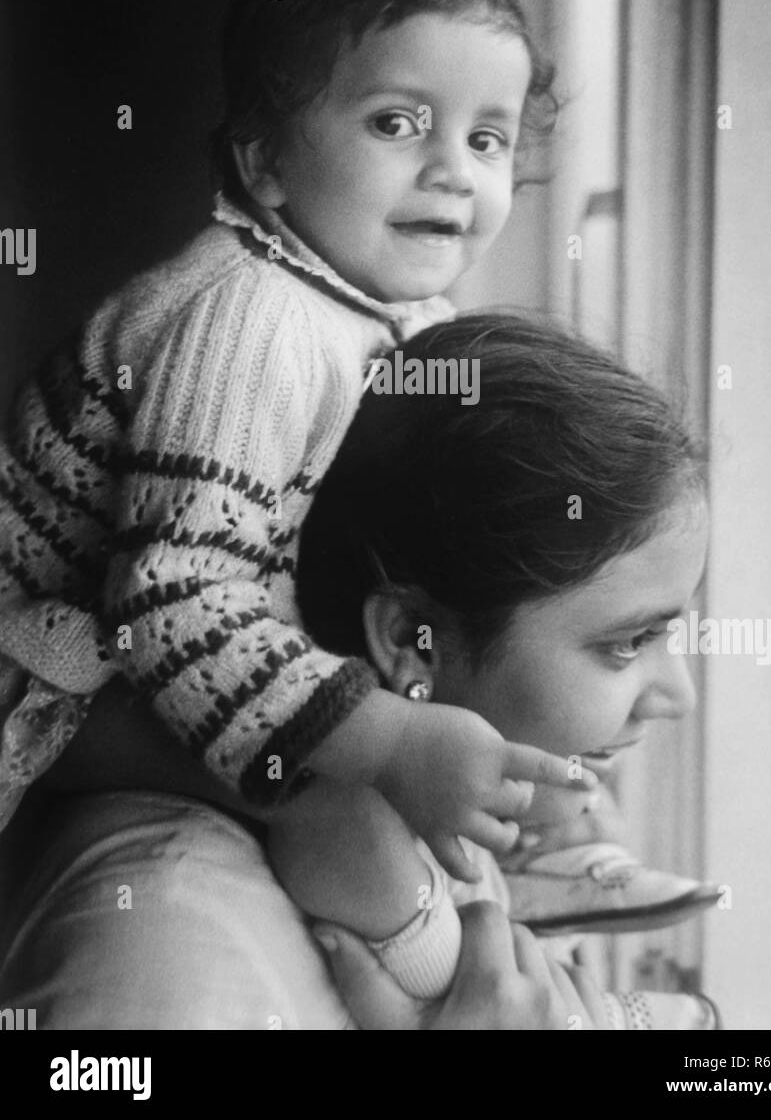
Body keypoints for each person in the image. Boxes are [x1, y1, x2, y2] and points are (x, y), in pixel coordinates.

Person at [0, 0, 715, 1008]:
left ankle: (532, 861)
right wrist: (385, 738)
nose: (451, 171)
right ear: (264, 163)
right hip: (58, 669)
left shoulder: (393, 303)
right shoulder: (249, 321)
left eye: (488, 139)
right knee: (327, 794)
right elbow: (172, 601)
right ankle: (445, 975)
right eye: (396, 124)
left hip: (144, 646)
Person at [0, 314, 720, 1030]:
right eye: (627, 643)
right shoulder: (164, 942)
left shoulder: (420, 841)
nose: (676, 697)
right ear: (414, 639)